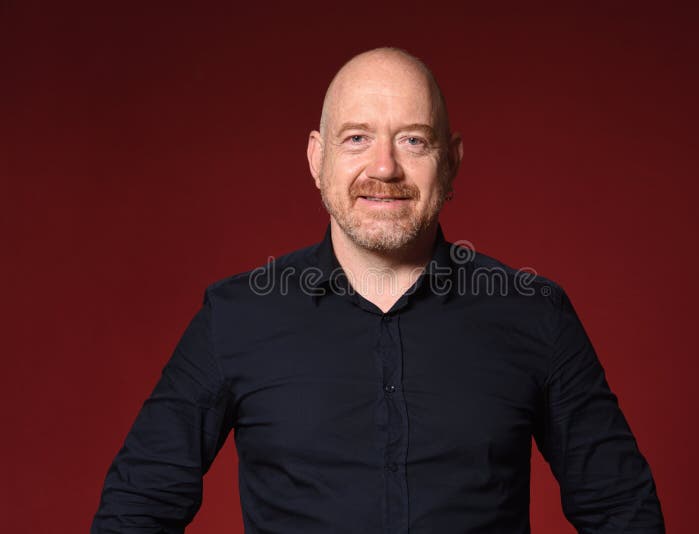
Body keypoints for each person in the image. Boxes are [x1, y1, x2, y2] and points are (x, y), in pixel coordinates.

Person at [92, 47, 666, 533]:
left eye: (413, 140)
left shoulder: (537, 316)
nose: (385, 167)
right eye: (357, 138)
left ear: (452, 162)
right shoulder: (235, 316)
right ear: (318, 158)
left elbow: (623, 513)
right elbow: (135, 509)